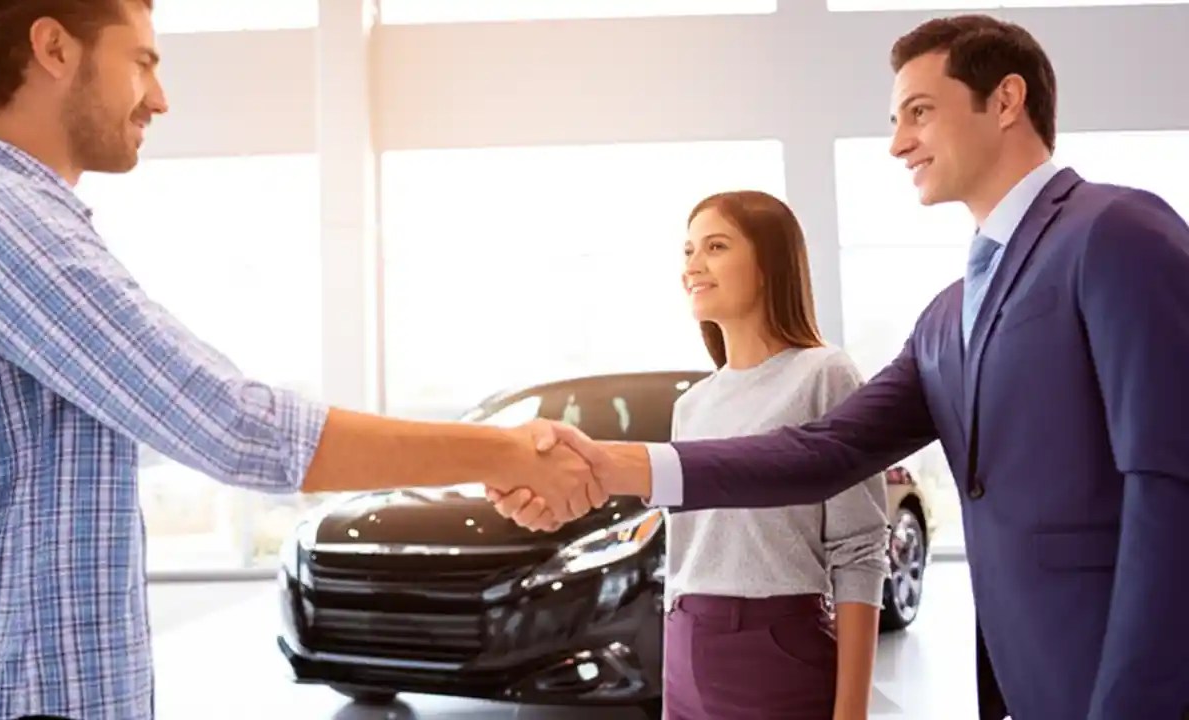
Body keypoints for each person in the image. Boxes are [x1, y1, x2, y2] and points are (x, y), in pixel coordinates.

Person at [0, 2, 601, 719]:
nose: (160, 97)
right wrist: (506, 453)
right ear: (53, 47)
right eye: (141, 61)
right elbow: (235, 427)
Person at [493, 13, 1189, 720]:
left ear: (1007, 101)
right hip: (1026, 684)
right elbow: (827, 451)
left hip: (1127, 684)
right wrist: (613, 467)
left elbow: (1171, 482)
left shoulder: (1115, 232)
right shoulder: (947, 317)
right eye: (894, 119)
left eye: (919, 112)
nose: (897, 144)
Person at [663, 190, 888, 720]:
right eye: (688, 250)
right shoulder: (691, 406)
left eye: (715, 246)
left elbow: (860, 550)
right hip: (683, 644)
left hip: (774, 651)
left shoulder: (825, 375)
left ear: (769, 263)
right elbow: (685, 557)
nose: (693, 265)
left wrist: (851, 712)